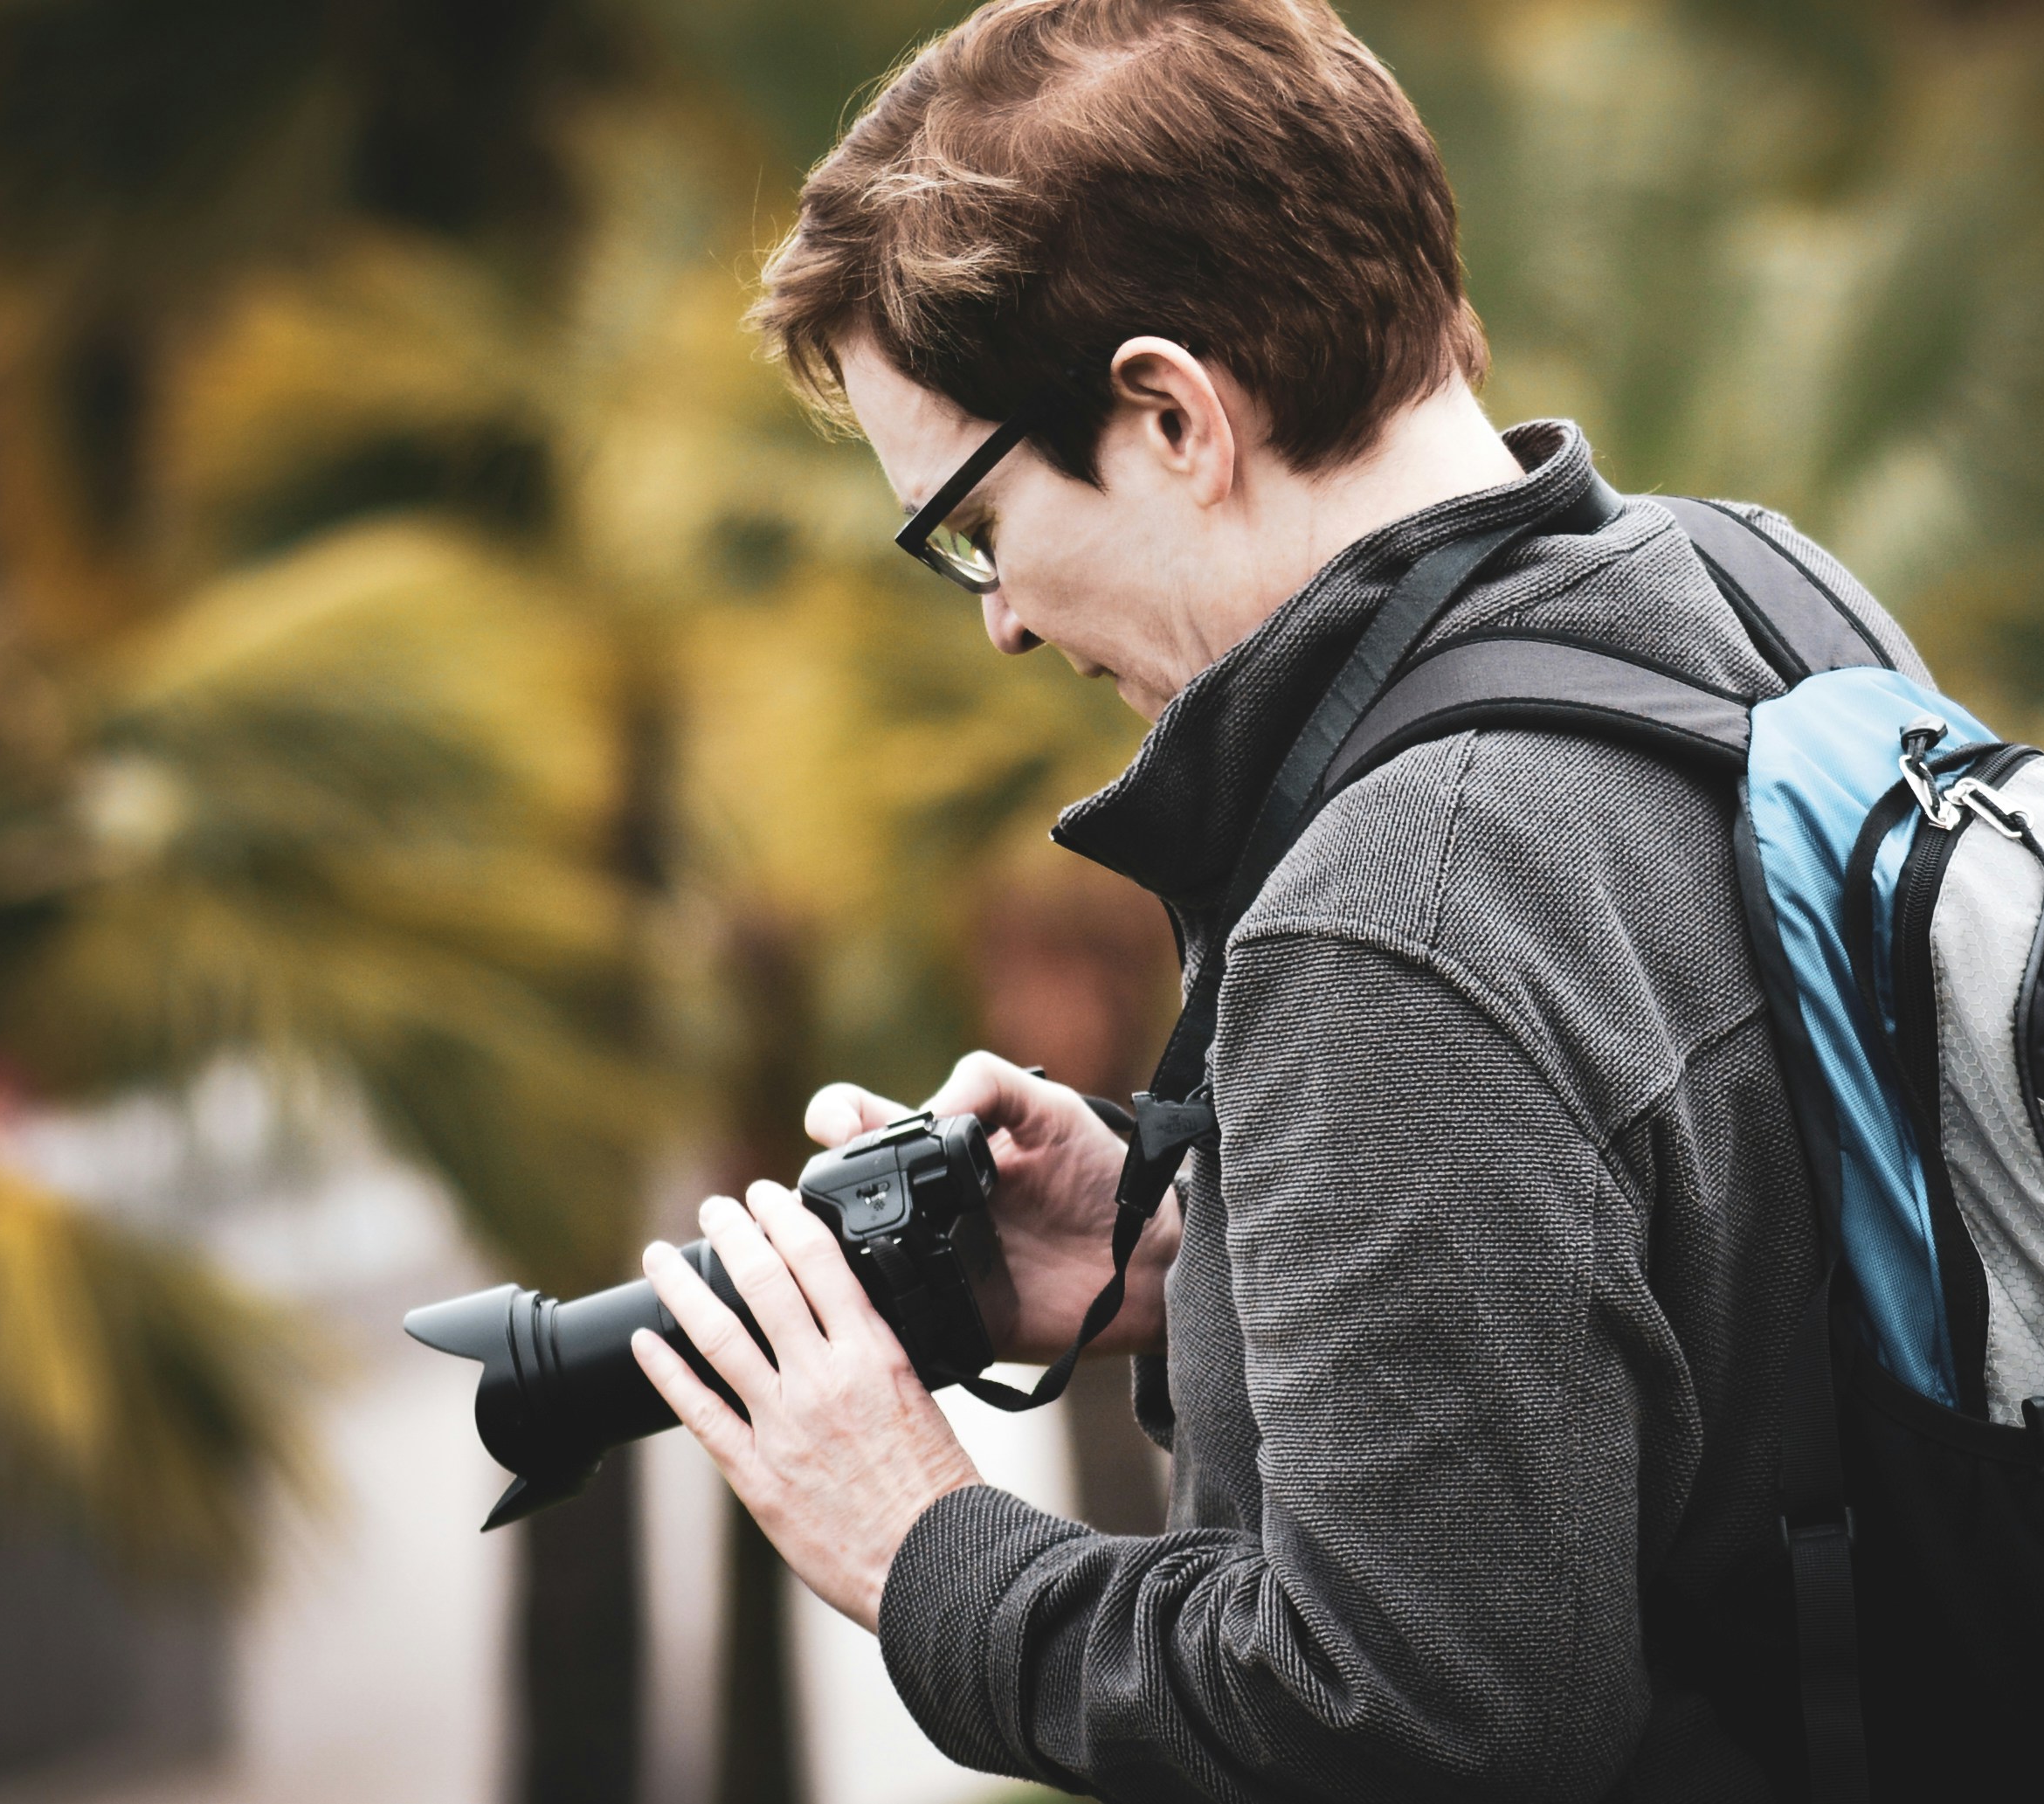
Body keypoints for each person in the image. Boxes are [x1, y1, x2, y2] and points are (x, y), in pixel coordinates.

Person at [627, 1, 1914, 1794]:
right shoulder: (1749, 598)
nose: (998, 616)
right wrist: (1202, 1250)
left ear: (1167, 414)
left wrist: (920, 1541)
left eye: (971, 531)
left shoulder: (1390, 914)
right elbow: (1741, 1298)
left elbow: (1403, 1719)